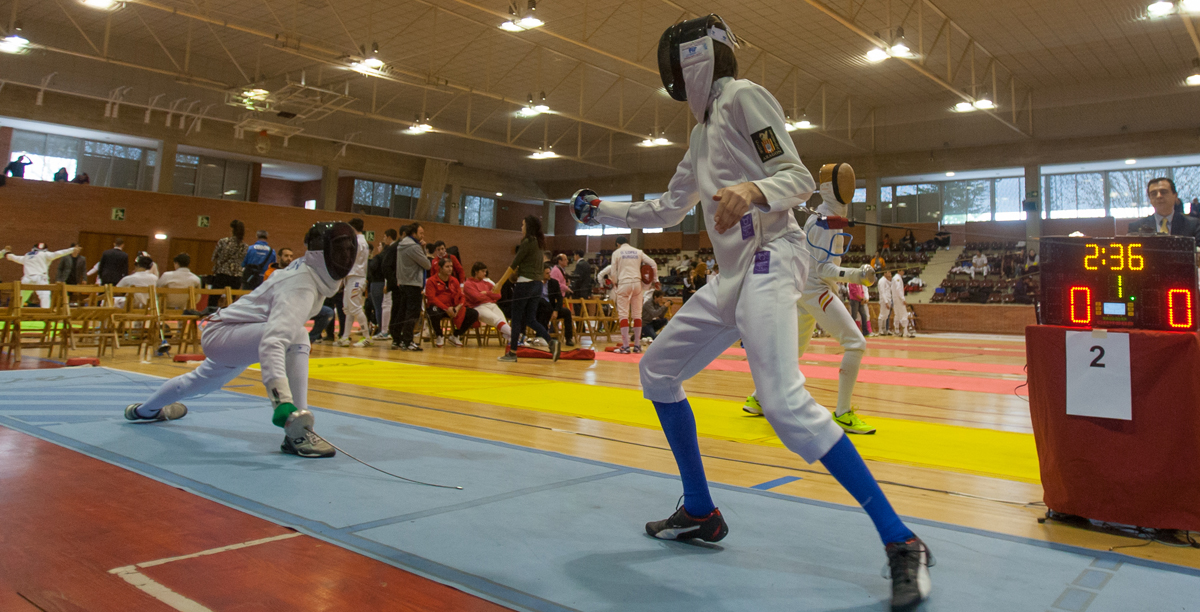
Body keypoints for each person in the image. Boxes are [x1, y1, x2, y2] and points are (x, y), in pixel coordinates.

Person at [570, 16, 930, 609]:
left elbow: (793, 177)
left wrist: (753, 192)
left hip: (773, 256)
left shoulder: (743, 98)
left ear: (692, 62)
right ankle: (700, 510)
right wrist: (600, 208)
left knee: (785, 405)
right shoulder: (699, 137)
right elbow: (665, 209)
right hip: (732, 275)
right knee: (657, 372)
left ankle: (902, 541)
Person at [122, 222, 356, 459]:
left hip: (234, 333)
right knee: (297, 334)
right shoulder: (301, 285)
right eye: (340, 250)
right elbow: (273, 341)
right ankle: (299, 432)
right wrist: (282, 401)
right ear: (321, 253)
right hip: (225, 332)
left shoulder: (309, 271)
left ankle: (144, 411)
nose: (345, 256)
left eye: (349, 249)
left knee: (200, 381)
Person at [742, 163, 878, 435]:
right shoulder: (822, 221)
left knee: (794, 351)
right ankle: (843, 413)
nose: (850, 189)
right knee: (856, 342)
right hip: (816, 289)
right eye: (845, 183)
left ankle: (758, 398)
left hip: (808, 288)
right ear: (831, 188)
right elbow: (823, 269)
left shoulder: (828, 217)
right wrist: (858, 275)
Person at [492, 215, 559, 362]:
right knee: (530, 319)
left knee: (516, 319)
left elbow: (513, 264)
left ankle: (513, 353)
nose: (521, 228)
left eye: (522, 225)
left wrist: (500, 284)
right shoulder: (540, 244)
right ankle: (551, 341)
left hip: (525, 284)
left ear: (528, 226)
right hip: (537, 285)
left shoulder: (528, 241)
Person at [596, 236, 657, 353]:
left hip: (624, 283)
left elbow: (613, 271)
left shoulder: (617, 253)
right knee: (637, 315)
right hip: (637, 284)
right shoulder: (638, 251)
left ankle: (625, 346)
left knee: (623, 314)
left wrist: (614, 282)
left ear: (618, 244)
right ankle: (637, 345)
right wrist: (656, 279)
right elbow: (653, 263)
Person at [389, 223, 431, 351]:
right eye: (421, 233)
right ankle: (408, 341)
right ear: (413, 233)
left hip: (403, 282)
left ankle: (397, 339)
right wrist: (423, 249)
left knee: (401, 312)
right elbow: (427, 264)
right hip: (413, 283)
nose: (423, 236)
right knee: (412, 313)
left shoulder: (401, 245)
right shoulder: (414, 247)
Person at [0, 243, 81, 307]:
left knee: (21, 298)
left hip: (27, 279)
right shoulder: (45, 254)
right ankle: (46, 316)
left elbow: (13, 257)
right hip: (40, 278)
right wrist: (72, 249)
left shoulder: (27, 255)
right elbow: (58, 253)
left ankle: (14, 315)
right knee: (45, 296)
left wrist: (6, 252)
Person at [334, 218, 373, 348]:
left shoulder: (358, 242)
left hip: (357, 277)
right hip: (351, 277)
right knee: (348, 309)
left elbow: (349, 260)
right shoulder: (358, 241)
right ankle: (345, 337)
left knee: (355, 307)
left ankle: (367, 337)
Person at [424, 257, 479, 348]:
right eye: (447, 266)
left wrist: (458, 307)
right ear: (440, 268)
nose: (450, 269)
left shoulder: (454, 280)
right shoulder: (431, 281)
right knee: (433, 313)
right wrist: (446, 308)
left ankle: (455, 335)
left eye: (451, 266)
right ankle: (439, 335)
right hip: (439, 307)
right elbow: (432, 299)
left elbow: (462, 296)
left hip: (453, 307)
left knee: (473, 313)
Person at [1127, 177, 1200, 240]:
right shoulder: (1136, 227)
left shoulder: (1193, 225)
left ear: (1175, 196)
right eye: (1153, 193)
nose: (1159, 196)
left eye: (1163, 192)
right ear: (1150, 199)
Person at [464, 262, 511, 344]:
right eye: (483, 271)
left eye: (485, 271)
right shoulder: (468, 284)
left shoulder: (487, 283)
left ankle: (514, 340)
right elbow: (476, 297)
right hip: (478, 306)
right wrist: (491, 297)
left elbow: (498, 295)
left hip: (492, 305)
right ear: (476, 271)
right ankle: (517, 337)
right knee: (495, 319)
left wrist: (487, 293)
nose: (485, 274)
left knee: (503, 321)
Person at [537, 262, 575, 347]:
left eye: (549, 273)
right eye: (547, 273)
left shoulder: (553, 282)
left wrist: (556, 310)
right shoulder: (536, 283)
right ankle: (542, 336)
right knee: (542, 306)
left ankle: (569, 338)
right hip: (539, 308)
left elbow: (559, 298)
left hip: (552, 307)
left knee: (567, 312)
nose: (549, 275)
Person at [211, 220, 247, 289]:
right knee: (232, 298)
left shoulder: (224, 242)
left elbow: (214, 257)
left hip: (222, 273)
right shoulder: (244, 246)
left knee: (213, 298)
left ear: (232, 230)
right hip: (237, 275)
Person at [890, 270, 912, 338]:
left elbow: (892, 289)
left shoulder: (894, 278)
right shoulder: (898, 278)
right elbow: (898, 289)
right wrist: (903, 299)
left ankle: (897, 331)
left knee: (897, 315)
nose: (903, 272)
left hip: (895, 299)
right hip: (899, 299)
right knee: (904, 315)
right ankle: (905, 332)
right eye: (902, 271)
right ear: (899, 271)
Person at [876, 270, 894, 336]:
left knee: (886, 316)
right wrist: (886, 302)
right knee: (882, 315)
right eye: (888, 272)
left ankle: (884, 330)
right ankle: (880, 330)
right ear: (885, 273)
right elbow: (882, 292)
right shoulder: (882, 281)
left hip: (888, 299)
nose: (890, 274)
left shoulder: (887, 281)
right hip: (884, 300)